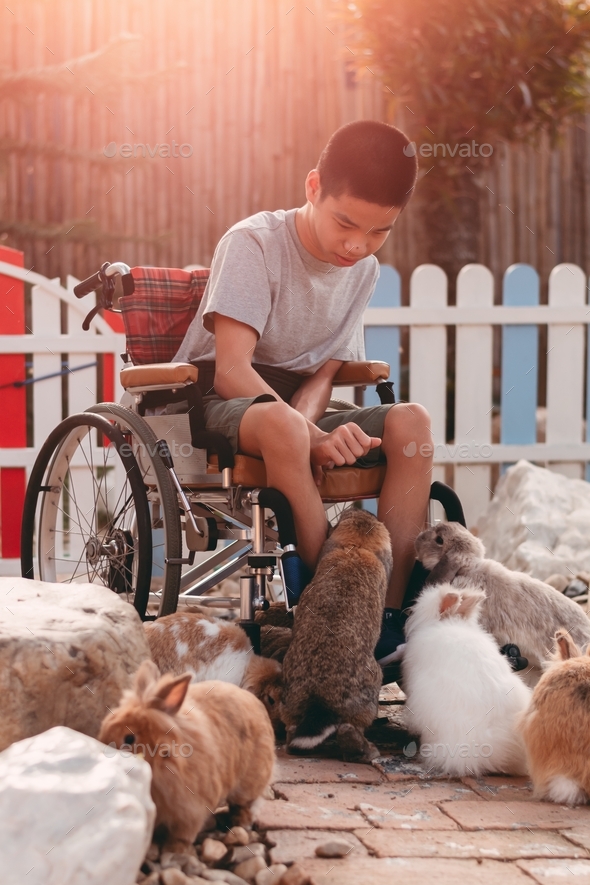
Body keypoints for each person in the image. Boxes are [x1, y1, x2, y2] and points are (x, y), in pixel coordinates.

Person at [174, 120, 433, 665]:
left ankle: (384, 618)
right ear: (313, 187)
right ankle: (327, 611)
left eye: (379, 231)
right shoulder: (254, 244)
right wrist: (305, 433)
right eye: (345, 222)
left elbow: (322, 375)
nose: (357, 244)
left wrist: (310, 431)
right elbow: (231, 369)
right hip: (217, 397)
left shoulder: (364, 269)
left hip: (290, 408)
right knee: (285, 426)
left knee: (413, 423)